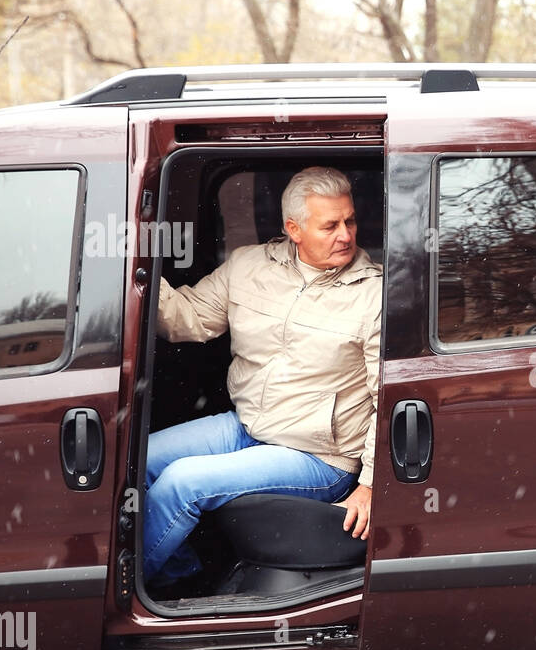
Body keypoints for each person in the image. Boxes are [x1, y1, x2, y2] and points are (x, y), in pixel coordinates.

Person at [143, 166, 382, 588]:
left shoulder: (373, 294)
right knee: (136, 460)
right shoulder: (249, 266)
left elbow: (391, 397)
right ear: (294, 228)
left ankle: (124, 599)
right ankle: (180, 576)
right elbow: (189, 318)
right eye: (330, 225)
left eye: (350, 220)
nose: (345, 235)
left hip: (319, 456)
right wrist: (132, 270)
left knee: (182, 482)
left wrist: (370, 485)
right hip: (249, 426)